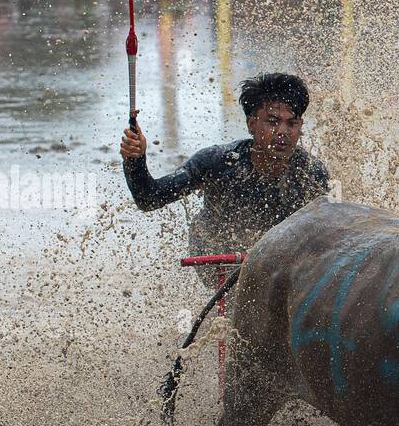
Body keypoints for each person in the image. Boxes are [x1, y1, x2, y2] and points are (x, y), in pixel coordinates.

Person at [119, 72, 331, 276]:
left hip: (274, 261)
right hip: (216, 255)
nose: (283, 132)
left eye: (291, 123)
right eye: (273, 121)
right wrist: (135, 160)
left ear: (300, 126)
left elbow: (322, 239)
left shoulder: (311, 174)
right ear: (252, 124)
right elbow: (148, 198)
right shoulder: (218, 163)